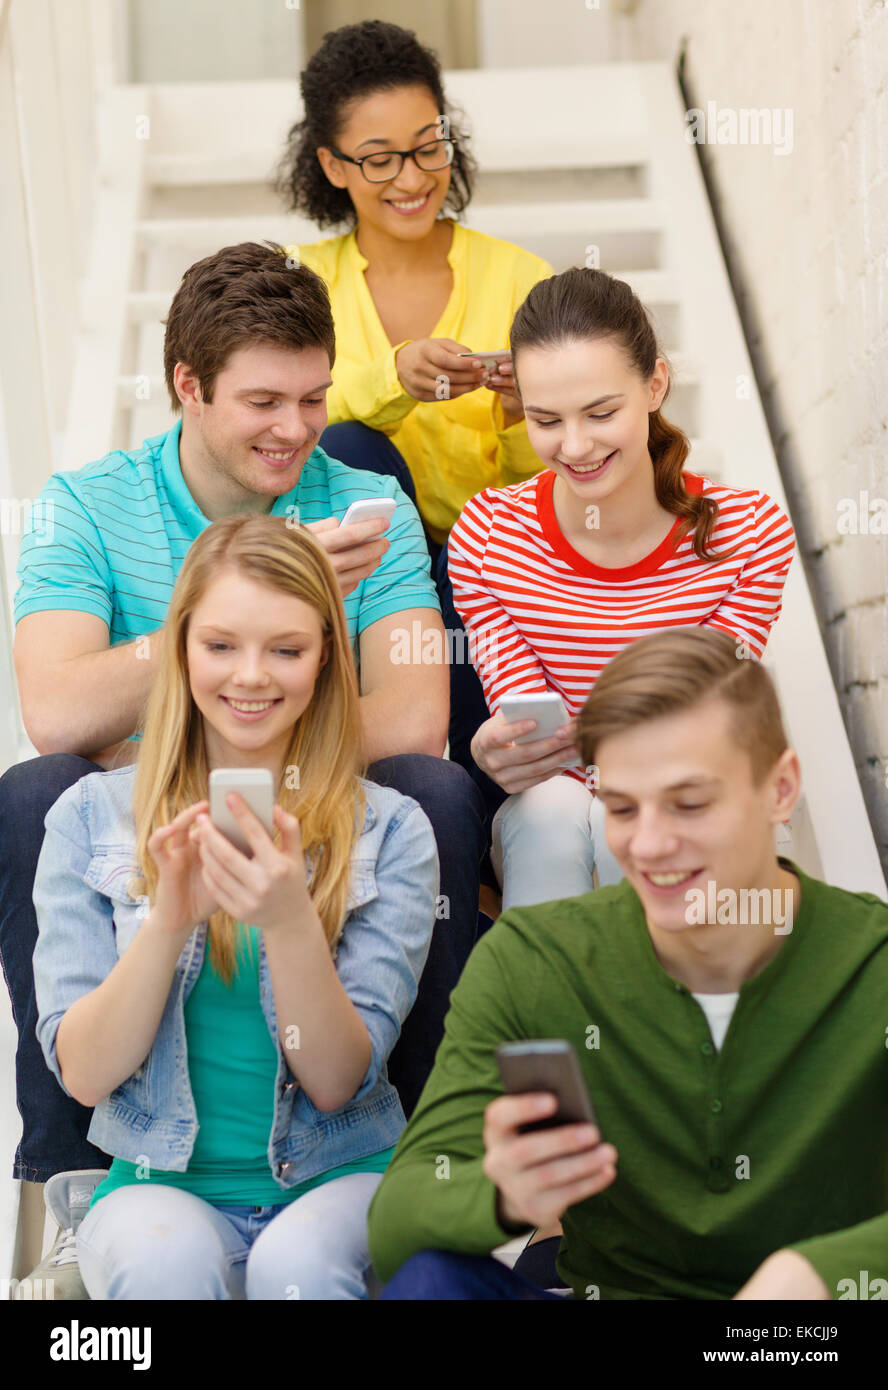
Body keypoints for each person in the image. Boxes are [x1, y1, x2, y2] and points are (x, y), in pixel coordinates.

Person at [1, 241, 485, 1295]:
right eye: (265, 400)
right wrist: (243, 591)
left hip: (335, 812)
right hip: (140, 821)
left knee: (435, 795)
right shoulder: (87, 505)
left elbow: (408, 721)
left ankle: (414, 1154)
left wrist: (257, 751)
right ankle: (72, 1169)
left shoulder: (370, 505)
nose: (296, 429)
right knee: (39, 797)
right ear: (187, 385)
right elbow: (57, 710)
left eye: (314, 397)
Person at [367, 626, 888, 1301]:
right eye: (620, 806)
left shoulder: (869, 961)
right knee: (431, 1284)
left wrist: (816, 1274)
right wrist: (499, 1192)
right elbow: (396, 1224)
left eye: (689, 802)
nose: (649, 845)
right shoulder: (537, 958)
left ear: (780, 788)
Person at [31, 515, 439, 1300]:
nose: (251, 676)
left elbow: (335, 1082)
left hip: (340, 1176)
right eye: (221, 645)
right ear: (181, 649)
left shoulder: (392, 829)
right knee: (164, 1264)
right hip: (158, 1183)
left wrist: (289, 922)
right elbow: (83, 1073)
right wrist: (169, 922)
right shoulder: (88, 817)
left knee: (299, 1269)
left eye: (286, 649)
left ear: (325, 659)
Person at [446, 266, 796, 909]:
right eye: (546, 420)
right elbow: (532, 724)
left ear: (655, 383)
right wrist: (497, 751)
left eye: (601, 412)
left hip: (690, 790)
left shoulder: (747, 532)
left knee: (632, 818)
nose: (574, 446)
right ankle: (552, 1008)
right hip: (553, 811)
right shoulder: (490, 534)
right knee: (550, 806)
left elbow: (691, 723)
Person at [278, 18, 553, 553]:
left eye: (430, 148)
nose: (412, 179)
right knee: (346, 444)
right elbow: (266, 419)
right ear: (334, 166)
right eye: (380, 160)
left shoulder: (525, 281)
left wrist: (526, 415)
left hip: (498, 563)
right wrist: (391, 378)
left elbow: (556, 485)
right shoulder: (293, 282)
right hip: (350, 565)